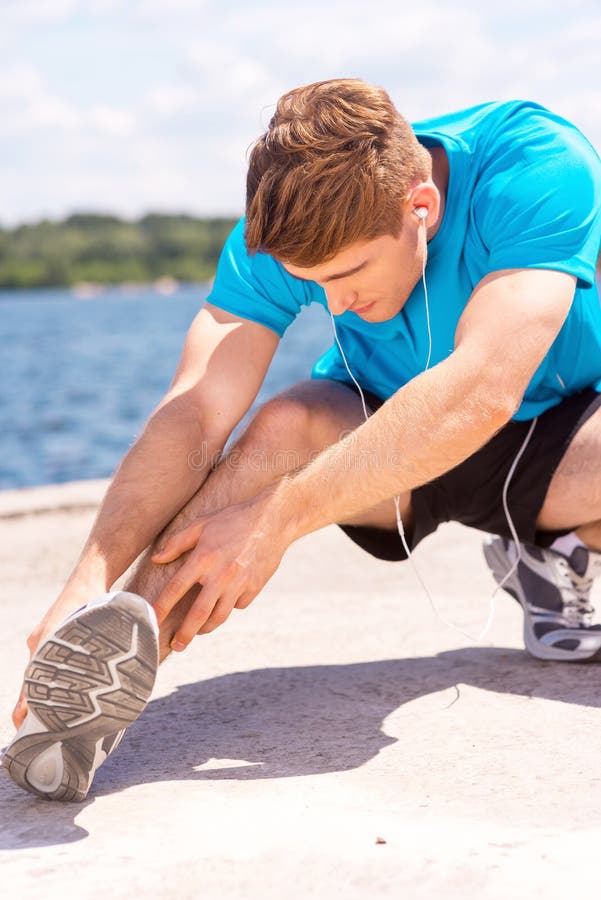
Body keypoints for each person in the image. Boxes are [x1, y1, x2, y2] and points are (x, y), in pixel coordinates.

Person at [3, 78, 601, 802]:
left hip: (557, 433)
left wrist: (275, 520)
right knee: (285, 422)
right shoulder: (282, 228)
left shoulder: (532, 163)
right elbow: (193, 415)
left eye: (347, 276)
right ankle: (96, 682)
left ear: (422, 206)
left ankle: (553, 548)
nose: (336, 304)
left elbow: (478, 392)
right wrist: (88, 578)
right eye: (312, 285)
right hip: (375, 440)